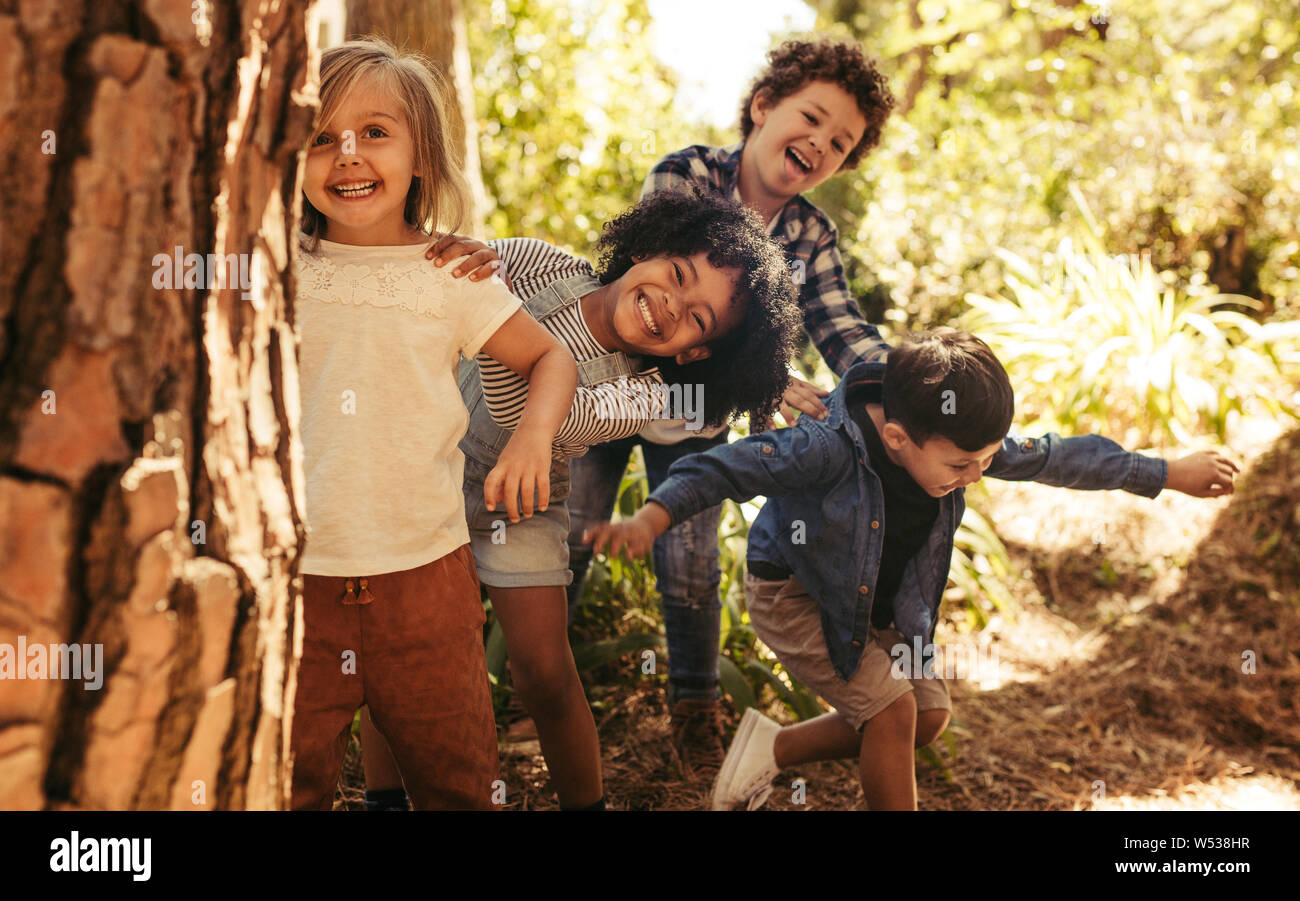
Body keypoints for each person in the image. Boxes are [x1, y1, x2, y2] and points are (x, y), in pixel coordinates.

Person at [583, 328, 1239, 809]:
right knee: (893, 713)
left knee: (927, 716)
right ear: (897, 439)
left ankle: (772, 748)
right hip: (796, 595)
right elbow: (728, 465)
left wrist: (1168, 472)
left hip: (880, 603)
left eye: (983, 459)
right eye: (962, 467)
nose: (977, 474)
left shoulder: (950, 436)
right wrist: (652, 517)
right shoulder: (824, 448)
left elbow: (1056, 457)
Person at [365, 187, 802, 810]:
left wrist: (489, 313)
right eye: (677, 274)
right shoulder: (542, 267)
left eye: (698, 318)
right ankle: (382, 798)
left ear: (694, 353)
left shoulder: (645, 393)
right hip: (422, 470)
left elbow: (552, 415)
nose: (670, 305)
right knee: (398, 646)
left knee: (543, 672)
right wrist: (456, 261)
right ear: (648, 249)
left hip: (522, 501)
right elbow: (447, 277)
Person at [563, 37, 899, 777]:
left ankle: (693, 708)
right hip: (608, 385)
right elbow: (646, 285)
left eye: (840, 142)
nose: (820, 142)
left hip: (693, 414)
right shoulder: (686, 175)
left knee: (689, 561)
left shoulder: (810, 233)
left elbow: (842, 328)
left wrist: (906, 384)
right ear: (762, 107)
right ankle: (537, 687)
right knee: (572, 533)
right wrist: (768, 376)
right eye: (810, 118)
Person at [289, 38, 577, 811]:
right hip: (297, 582)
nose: (347, 156)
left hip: (427, 580)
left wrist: (531, 438)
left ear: (422, 157)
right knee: (286, 782)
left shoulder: (453, 275)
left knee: (457, 779)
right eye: (322, 137)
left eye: (375, 132)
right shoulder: (277, 267)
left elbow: (553, 359)